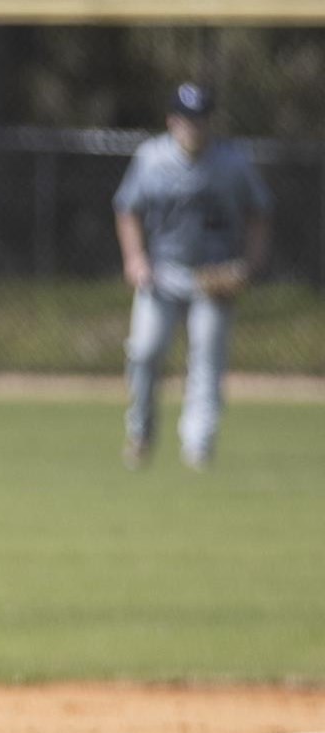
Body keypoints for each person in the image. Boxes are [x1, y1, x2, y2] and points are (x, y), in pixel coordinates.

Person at [112, 82, 272, 471]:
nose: (194, 127)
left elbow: (260, 211)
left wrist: (249, 265)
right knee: (146, 353)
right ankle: (141, 431)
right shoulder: (151, 158)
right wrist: (135, 259)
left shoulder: (233, 163)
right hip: (162, 274)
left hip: (212, 275)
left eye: (201, 119)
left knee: (207, 360)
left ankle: (198, 445)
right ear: (172, 121)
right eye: (186, 120)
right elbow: (126, 208)